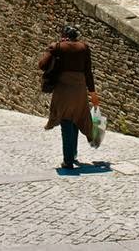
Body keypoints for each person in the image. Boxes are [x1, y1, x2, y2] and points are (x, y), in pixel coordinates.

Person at [38, 25, 99, 170]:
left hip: (63, 90)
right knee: (76, 119)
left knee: (66, 121)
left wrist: (51, 50)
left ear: (64, 35)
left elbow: (42, 65)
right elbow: (88, 73)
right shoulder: (84, 48)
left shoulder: (58, 47)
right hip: (79, 91)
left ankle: (68, 160)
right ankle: (73, 153)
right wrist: (93, 93)